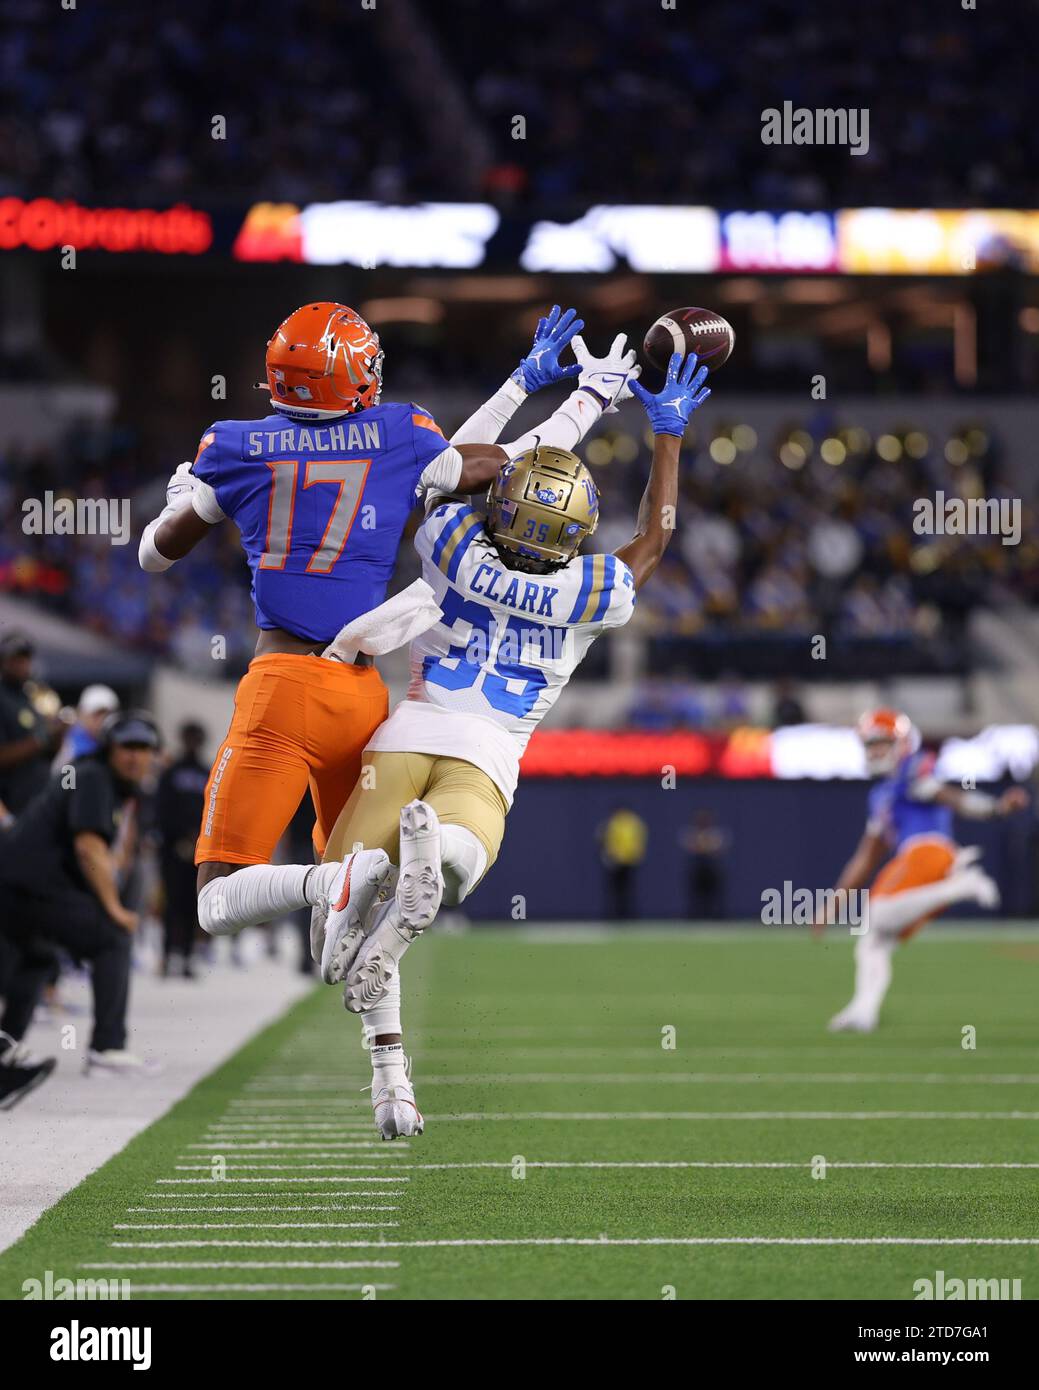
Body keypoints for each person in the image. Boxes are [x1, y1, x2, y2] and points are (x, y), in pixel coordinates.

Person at [201, 347, 710, 1139]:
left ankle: (384, 908)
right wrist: (666, 433)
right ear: (576, 533)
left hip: (401, 736)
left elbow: (457, 466)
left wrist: (558, 395)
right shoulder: (592, 590)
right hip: (487, 754)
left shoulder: (454, 547)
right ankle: (426, 868)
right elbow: (654, 538)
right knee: (459, 869)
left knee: (328, 931)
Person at [138, 301, 635, 948]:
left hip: (281, 685)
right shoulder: (395, 434)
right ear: (342, 374)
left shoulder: (234, 444)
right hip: (361, 693)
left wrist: (183, 497)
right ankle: (388, 1048)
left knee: (218, 899)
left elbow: (154, 553)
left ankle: (322, 886)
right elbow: (509, 461)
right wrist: (586, 394)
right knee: (355, 914)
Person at [819, 708, 1028, 1032]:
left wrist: (997, 808)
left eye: (881, 743)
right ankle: (864, 1011)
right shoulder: (881, 794)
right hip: (913, 859)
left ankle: (961, 886)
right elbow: (865, 857)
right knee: (873, 938)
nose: (874, 751)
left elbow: (954, 799)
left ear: (900, 743)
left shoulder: (912, 771)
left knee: (875, 918)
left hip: (930, 853)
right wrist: (833, 903)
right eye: (870, 744)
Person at [0, 710, 160, 1073]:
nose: (135, 756)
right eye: (127, 747)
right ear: (109, 749)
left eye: (143, 747)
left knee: (37, 957)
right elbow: (88, 848)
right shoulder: (93, 778)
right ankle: (107, 1047)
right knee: (113, 937)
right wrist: (115, 909)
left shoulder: (95, 775)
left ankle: (5, 1047)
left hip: (16, 883)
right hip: (31, 885)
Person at [156, 721, 209, 978]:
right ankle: (166, 956)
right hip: (172, 847)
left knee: (191, 905)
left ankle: (187, 957)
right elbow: (162, 809)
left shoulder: (206, 772)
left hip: (198, 849)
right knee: (171, 903)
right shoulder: (171, 772)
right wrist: (176, 837)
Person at [0, 631, 65, 816]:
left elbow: (49, 754)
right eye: (16, 659)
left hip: (37, 799)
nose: (23, 665)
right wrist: (41, 739)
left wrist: (58, 734)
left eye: (26, 659)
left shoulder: (30, 697)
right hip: (10, 804)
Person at [597, 807, 649, 920]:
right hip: (617, 860)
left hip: (628, 860)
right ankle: (616, 914)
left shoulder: (631, 822)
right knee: (616, 890)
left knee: (626, 890)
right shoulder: (615, 823)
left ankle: (626, 914)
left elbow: (639, 840)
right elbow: (604, 839)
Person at [56, 684, 120, 765]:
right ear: (82, 715)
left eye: (107, 714)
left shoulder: (117, 743)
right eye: (97, 715)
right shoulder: (70, 746)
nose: (102, 720)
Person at [681, 809, 728, 919]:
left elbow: (718, 848)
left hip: (711, 868)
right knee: (696, 894)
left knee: (714, 895)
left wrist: (704, 846)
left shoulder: (715, 833)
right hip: (698, 867)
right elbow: (692, 846)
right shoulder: (692, 833)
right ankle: (695, 916)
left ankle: (716, 916)